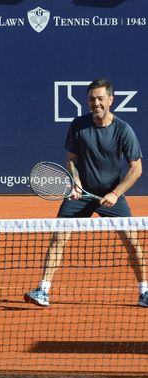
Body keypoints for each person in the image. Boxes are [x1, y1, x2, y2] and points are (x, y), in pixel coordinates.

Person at [24, 79, 147, 308]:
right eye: (92, 99)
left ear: (111, 100)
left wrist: (115, 193)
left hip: (111, 195)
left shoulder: (123, 130)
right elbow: (71, 160)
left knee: (132, 241)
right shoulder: (78, 125)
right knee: (58, 238)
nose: (96, 103)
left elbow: (136, 167)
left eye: (100, 98)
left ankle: (145, 292)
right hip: (80, 195)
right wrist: (76, 182)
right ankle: (43, 290)